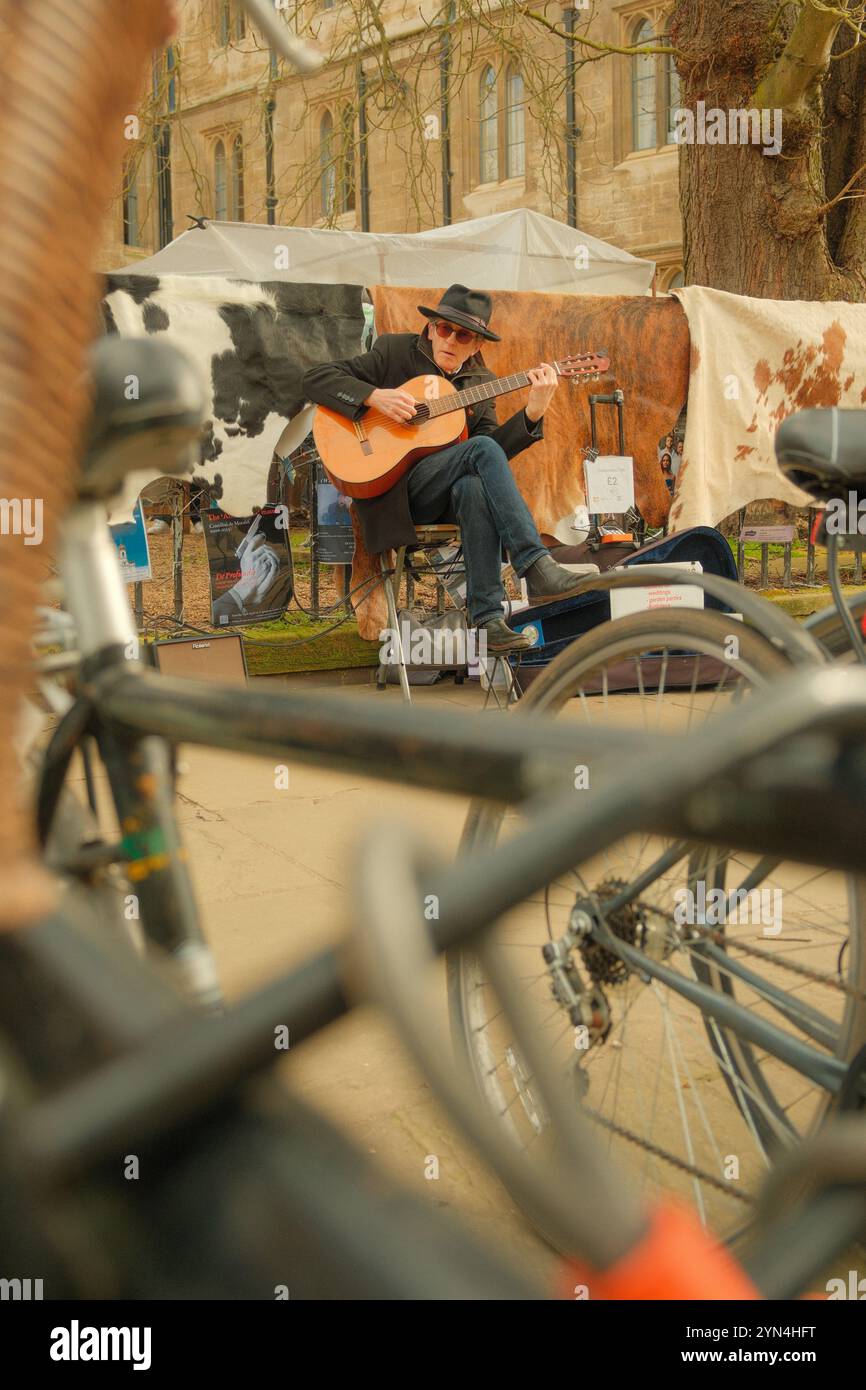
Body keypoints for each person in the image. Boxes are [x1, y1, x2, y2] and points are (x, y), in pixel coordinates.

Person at [302, 285, 590, 654]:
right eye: (443, 328)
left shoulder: (481, 383)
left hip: (448, 497)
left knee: (473, 484)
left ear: (477, 345)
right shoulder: (394, 352)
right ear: (431, 327)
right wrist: (376, 397)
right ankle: (534, 565)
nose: (451, 339)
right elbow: (315, 379)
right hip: (398, 495)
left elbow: (491, 456)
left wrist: (532, 413)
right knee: (479, 454)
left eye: (464, 334)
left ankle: (487, 618)